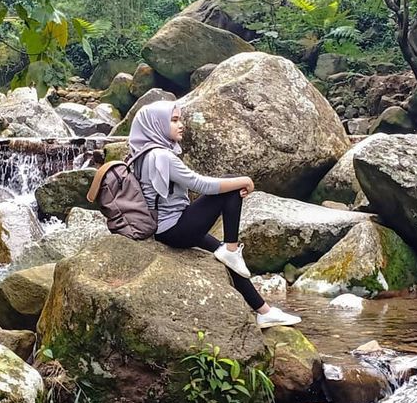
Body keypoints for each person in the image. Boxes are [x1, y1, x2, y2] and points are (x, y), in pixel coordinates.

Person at [128, 100, 301, 329]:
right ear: (156, 124)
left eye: (180, 119)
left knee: (223, 255)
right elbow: (201, 185)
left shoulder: (143, 153)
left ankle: (264, 311)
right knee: (229, 192)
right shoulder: (162, 156)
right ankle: (232, 248)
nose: (181, 125)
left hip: (165, 226)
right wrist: (244, 180)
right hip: (173, 229)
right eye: (174, 120)